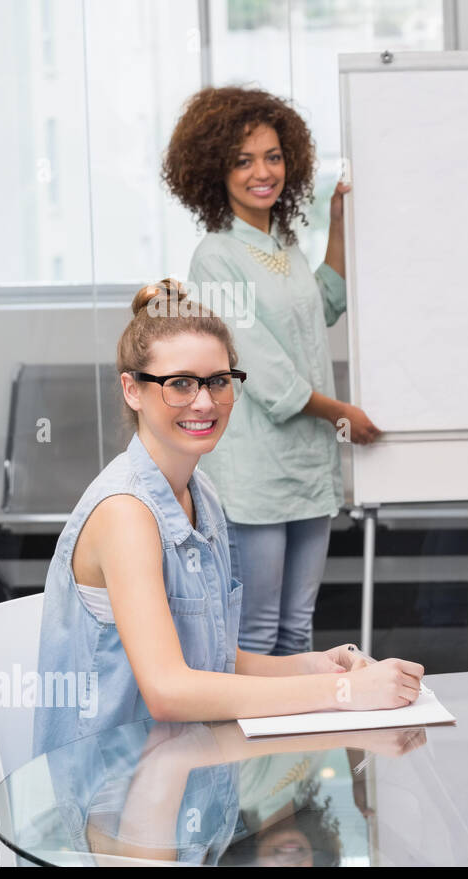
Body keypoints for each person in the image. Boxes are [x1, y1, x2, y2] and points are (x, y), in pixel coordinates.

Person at [31, 281, 423, 759]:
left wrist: (321, 667)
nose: (204, 402)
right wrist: (346, 696)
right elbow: (169, 690)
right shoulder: (126, 514)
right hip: (108, 789)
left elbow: (212, 661)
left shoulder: (202, 495)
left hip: (183, 769)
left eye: (218, 381)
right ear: (133, 390)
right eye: (179, 383)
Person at [163, 86, 380, 657]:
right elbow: (259, 368)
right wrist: (341, 414)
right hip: (257, 472)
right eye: (244, 160)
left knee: (299, 632)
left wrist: (336, 222)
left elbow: (326, 303)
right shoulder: (215, 255)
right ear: (216, 171)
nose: (263, 171)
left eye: (273, 156)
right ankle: (249, 751)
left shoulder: (283, 243)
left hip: (308, 468)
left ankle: (293, 752)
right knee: (257, 634)